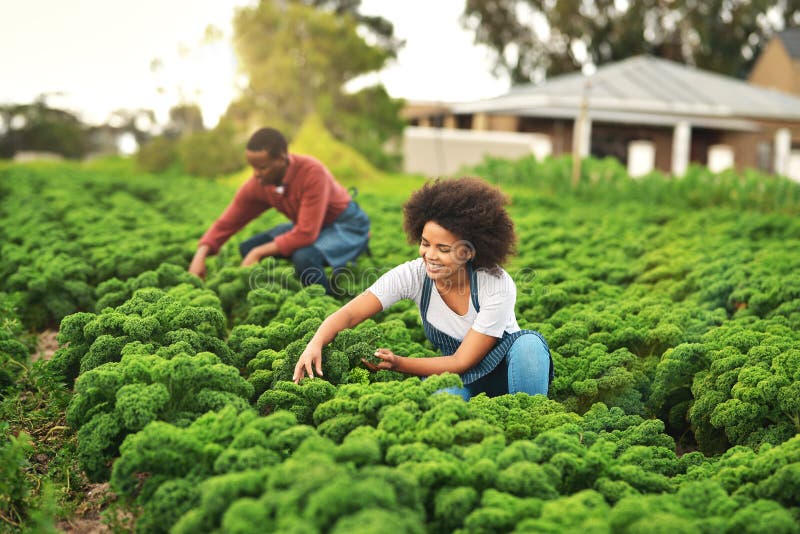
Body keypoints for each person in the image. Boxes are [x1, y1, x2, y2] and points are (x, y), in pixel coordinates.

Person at [292, 177, 553, 400]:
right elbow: (349, 314)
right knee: (440, 401)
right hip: (460, 376)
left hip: (508, 371)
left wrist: (399, 364)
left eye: (443, 249)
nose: (430, 255)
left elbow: (463, 359)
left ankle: (532, 417)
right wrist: (316, 342)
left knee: (528, 344)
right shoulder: (414, 274)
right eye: (425, 243)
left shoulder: (495, 282)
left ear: (470, 251)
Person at [188, 127, 370, 294]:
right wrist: (200, 255)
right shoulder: (259, 184)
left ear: (282, 159)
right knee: (247, 248)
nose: (256, 174)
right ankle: (280, 290)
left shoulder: (312, 172)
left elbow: (306, 234)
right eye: (253, 167)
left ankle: (329, 302)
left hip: (345, 224)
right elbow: (227, 222)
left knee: (304, 258)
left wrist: (258, 252)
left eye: (262, 167)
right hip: (310, 223)